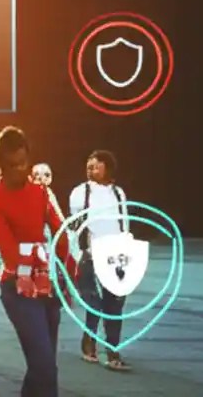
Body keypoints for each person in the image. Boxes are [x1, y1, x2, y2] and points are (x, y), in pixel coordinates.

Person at [0, 126, 76, 397]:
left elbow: (61, 235)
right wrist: (43, 256)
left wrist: (69, 274)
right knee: (44, 365)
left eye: (24, 163)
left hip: (47, 285)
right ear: (0, 165)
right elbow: (10, 253)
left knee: (42, 367)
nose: (21, 170)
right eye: (13, 165)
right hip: (18, 288)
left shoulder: (40, 193)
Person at [67, 150, 131, 371]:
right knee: (93, 303)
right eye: (89, 165)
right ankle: (89, 343)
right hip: (89, 255)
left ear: (107, 168)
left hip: (114, 255)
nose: (91, 169)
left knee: (114, 304)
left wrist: (126, 248)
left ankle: (113, 350)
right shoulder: (79, 193)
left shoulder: (118, 193)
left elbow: (124, 222)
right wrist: (77, 253)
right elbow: (74, 226)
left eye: (96, 165)